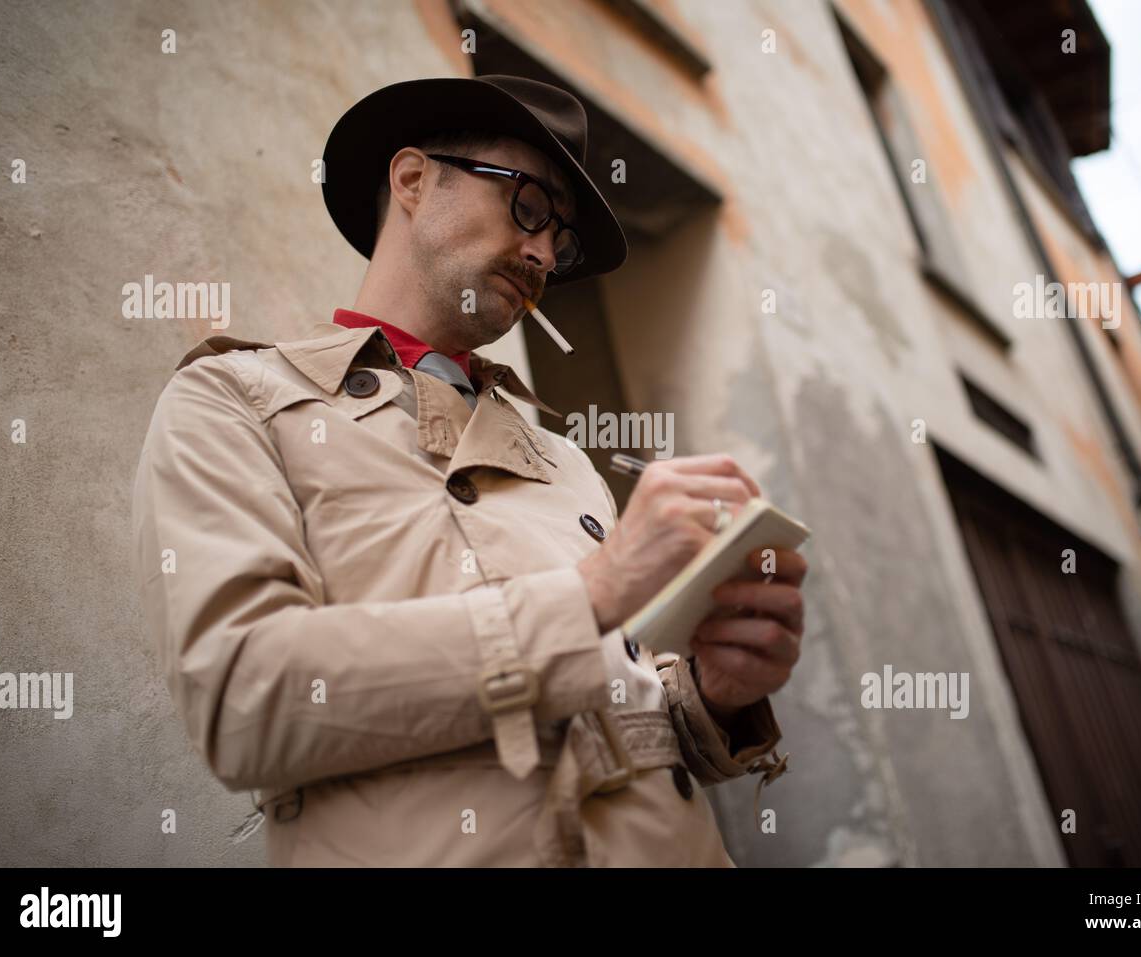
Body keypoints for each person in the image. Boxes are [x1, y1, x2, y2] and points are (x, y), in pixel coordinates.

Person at [131, 74, 805, 866]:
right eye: (529, 205)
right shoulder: (234, 399)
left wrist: (715, 692)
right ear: (413, 180)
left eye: (563, 237)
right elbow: (243, 700)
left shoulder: (567, 462)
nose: (546, 253)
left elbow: (630, 710)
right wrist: (588, 594)